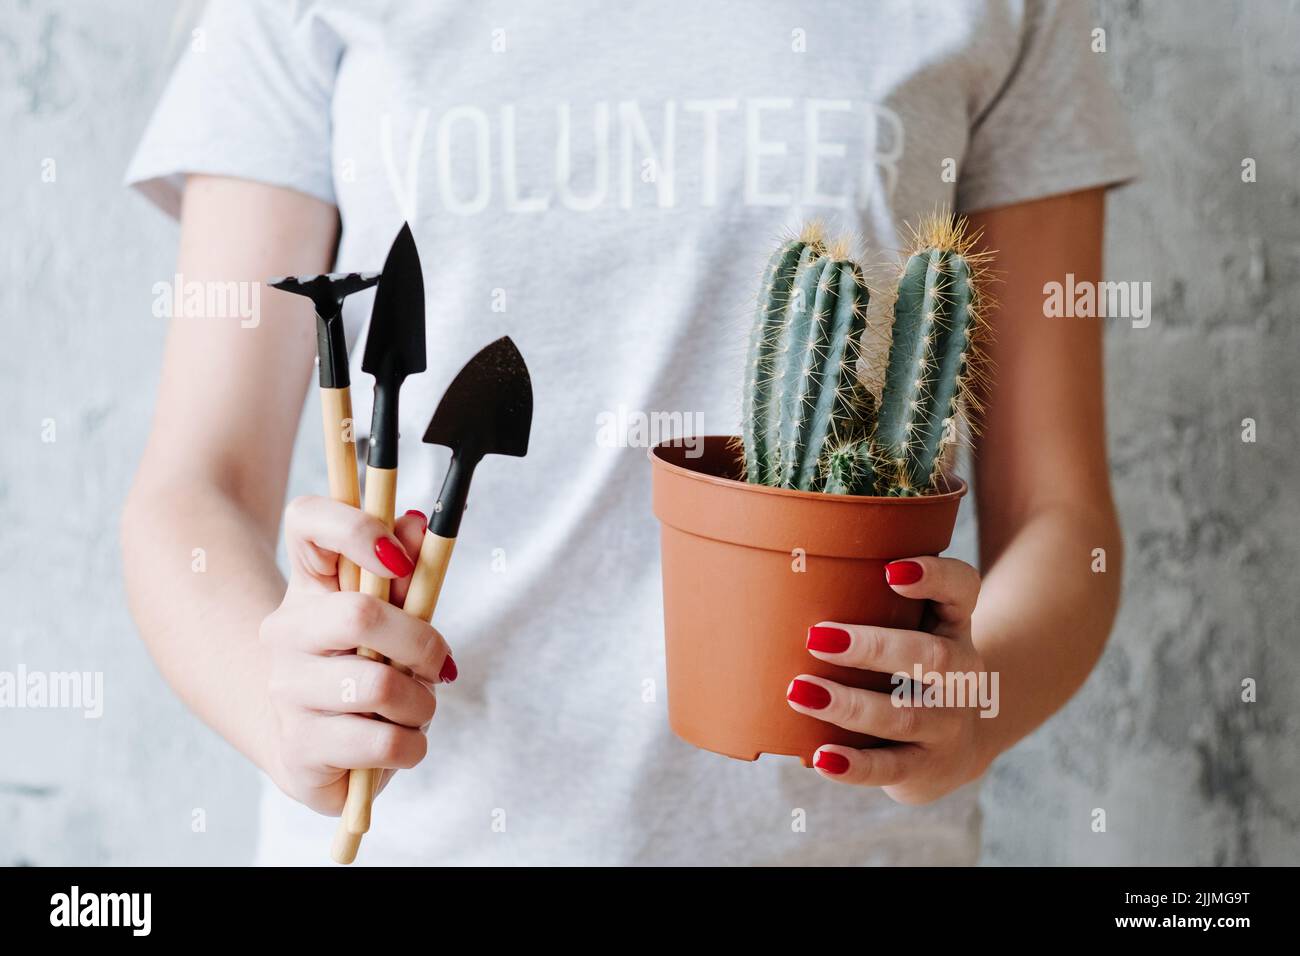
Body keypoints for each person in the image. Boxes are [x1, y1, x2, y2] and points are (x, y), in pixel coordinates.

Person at [122, 0, 1137, 865]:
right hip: (414, 836)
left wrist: (975, 702)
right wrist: (279, 700)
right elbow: (195, 489)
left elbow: (1060, 511)